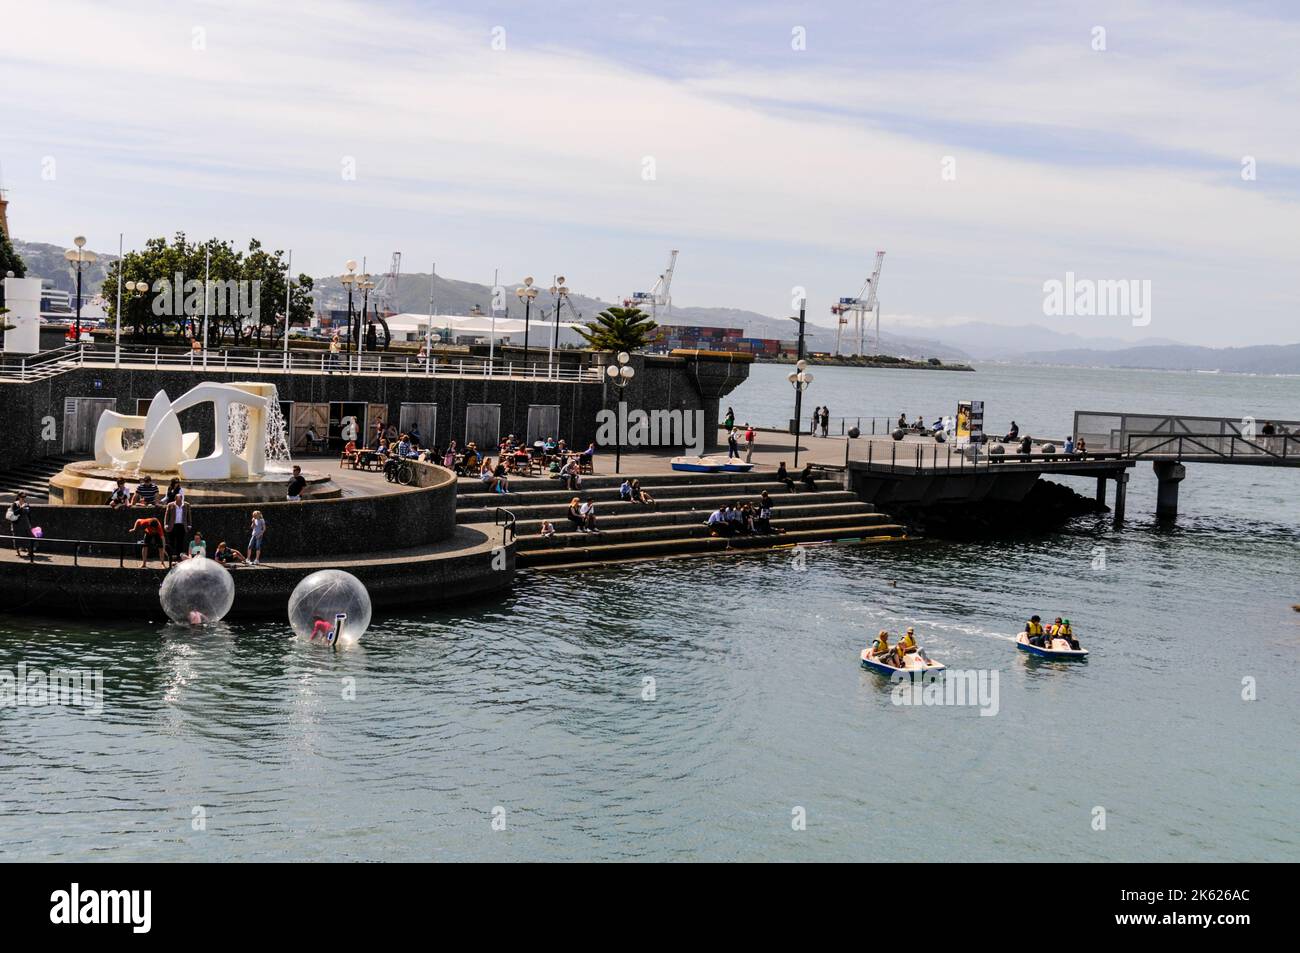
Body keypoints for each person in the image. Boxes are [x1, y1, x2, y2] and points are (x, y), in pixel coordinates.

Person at [163, 492, 192, 564]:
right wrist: (166, 524)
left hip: (182, 526)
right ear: (175, 499)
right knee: (171, 542)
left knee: (180, 542)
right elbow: (167, 516)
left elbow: (189, 515)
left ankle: (179, 558)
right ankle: (171, 557)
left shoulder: (186, 505)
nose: (179, 501)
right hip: (172, 526)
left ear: (182, 499)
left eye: (180, 499)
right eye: (178, 499)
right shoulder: (170, 505)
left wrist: (189, 524)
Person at [6, 491, 35, 557]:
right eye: (22, 497)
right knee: (17, 537)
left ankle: (30, 552)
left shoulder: (27, 504)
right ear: (19, 497)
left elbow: (29, 514)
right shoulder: (15, 504)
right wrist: (21, 507)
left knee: (29, 536)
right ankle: (18, 552)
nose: (24, 498)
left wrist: (30, 523)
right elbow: (15, 513)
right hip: (17, 524)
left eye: (25, 497)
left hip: (26, 523)